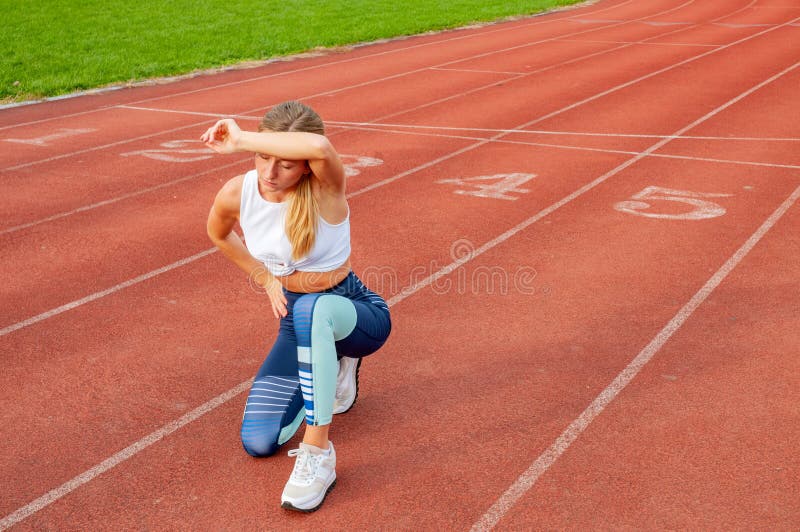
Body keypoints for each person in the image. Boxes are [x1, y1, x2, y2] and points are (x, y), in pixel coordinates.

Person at [202, 101, 391, 512]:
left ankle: (318, 454)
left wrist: (240, 139)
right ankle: (329, 362)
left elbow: (322, 146)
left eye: (285, 163)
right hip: (296, 320)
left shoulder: (326, 189)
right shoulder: (240, 191)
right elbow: (218, 234)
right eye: (262, 157)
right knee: (259, 441)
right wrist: (265, 277)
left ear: (305, 166)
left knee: (314, 310)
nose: (270, 173)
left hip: (355, 311)